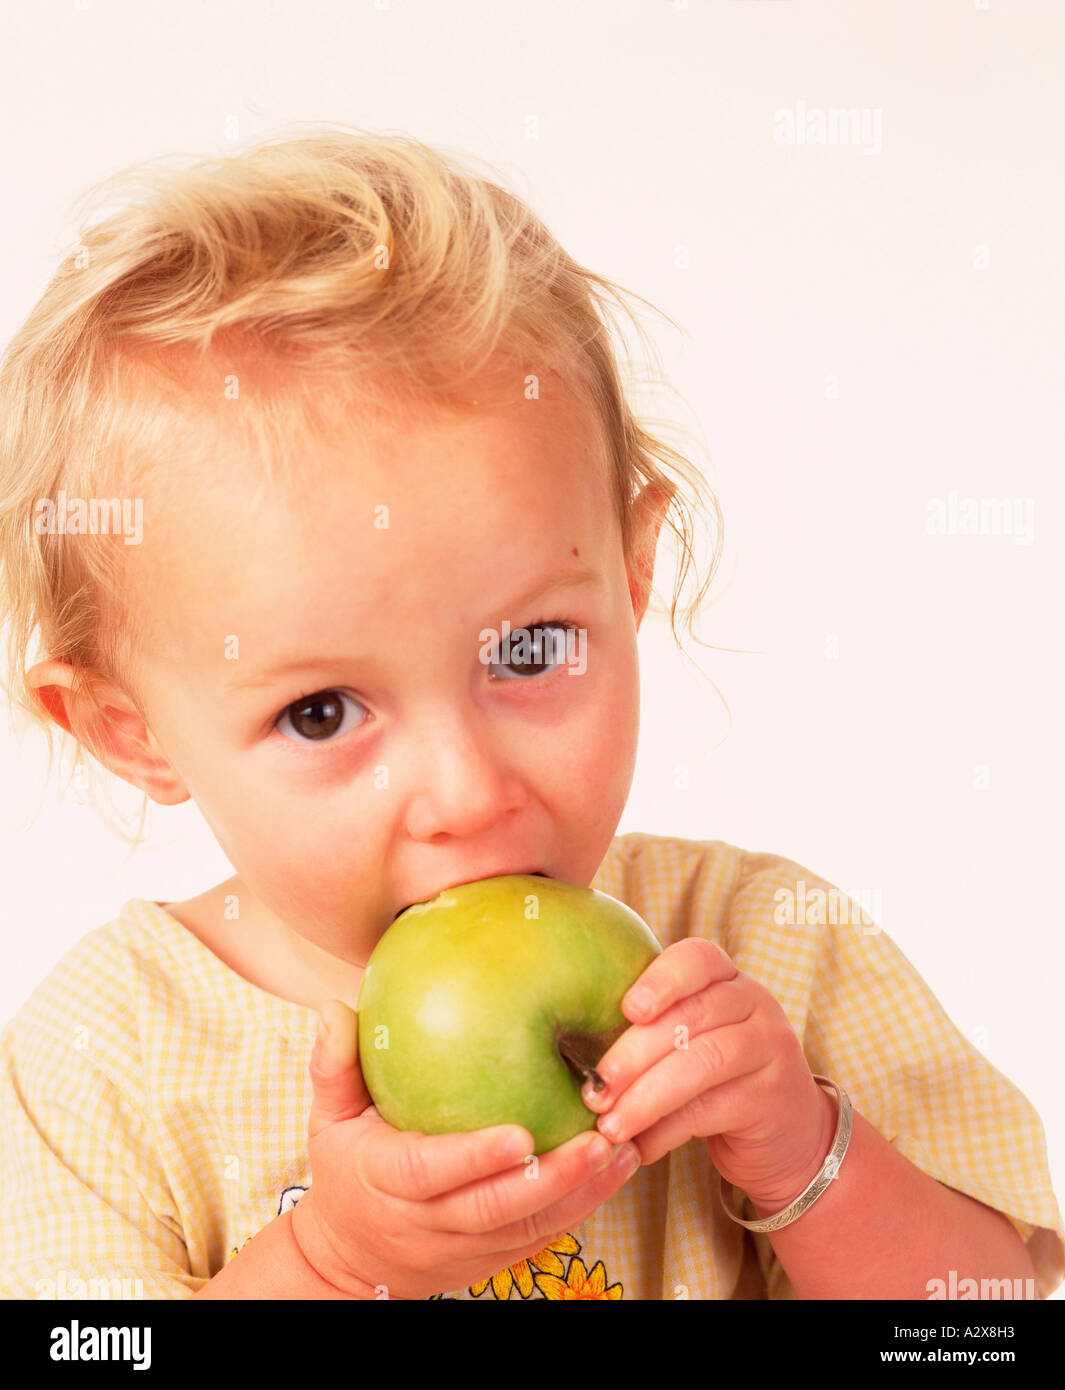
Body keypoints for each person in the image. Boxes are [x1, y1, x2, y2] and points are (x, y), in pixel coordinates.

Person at [0, 128, 1061, 1301]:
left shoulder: (765, 949)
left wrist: (802, 1153)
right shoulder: (109, 1054)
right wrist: (330, 1262)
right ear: (129, 729)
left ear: (633, 565)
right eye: (319, 713)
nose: (468, 791)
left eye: (529, 650)